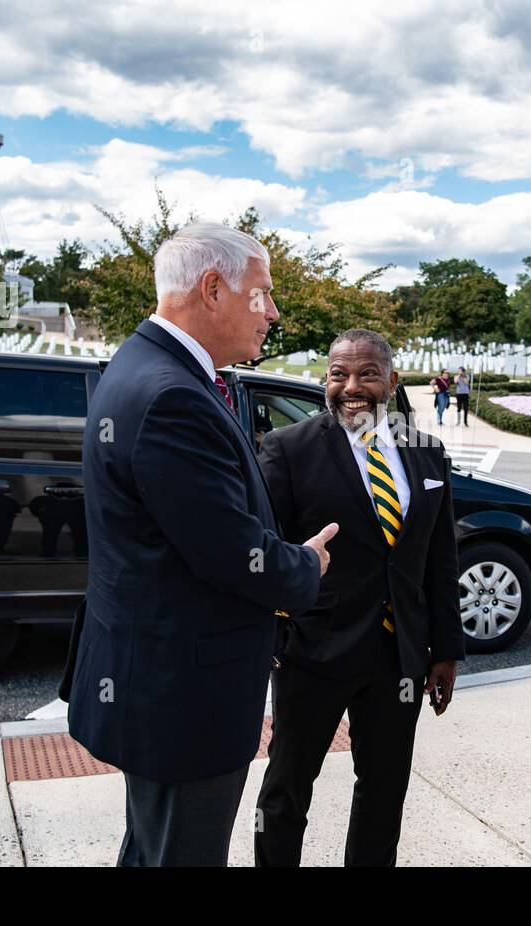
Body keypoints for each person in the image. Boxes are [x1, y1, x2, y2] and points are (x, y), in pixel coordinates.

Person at [66, 224, 339, 867]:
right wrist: (306, 565)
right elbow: (228, 552)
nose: (273, 312)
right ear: (213, 289)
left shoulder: (148, 367)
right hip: (182, 696)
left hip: (158, 681)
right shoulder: (171, 397)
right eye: (262, 295)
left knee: (153, 849)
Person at [254, 329, 465, 866]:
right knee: (286, 794)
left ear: (391, 382)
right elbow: (264, 554)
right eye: (338, 374)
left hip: (399, 656)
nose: (351, 387)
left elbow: (440, 558)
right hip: (313, 655)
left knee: (384, 793)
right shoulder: (288, 449)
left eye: (367, 374)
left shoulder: (428, 453)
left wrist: (445, 651)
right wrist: (276, 639)